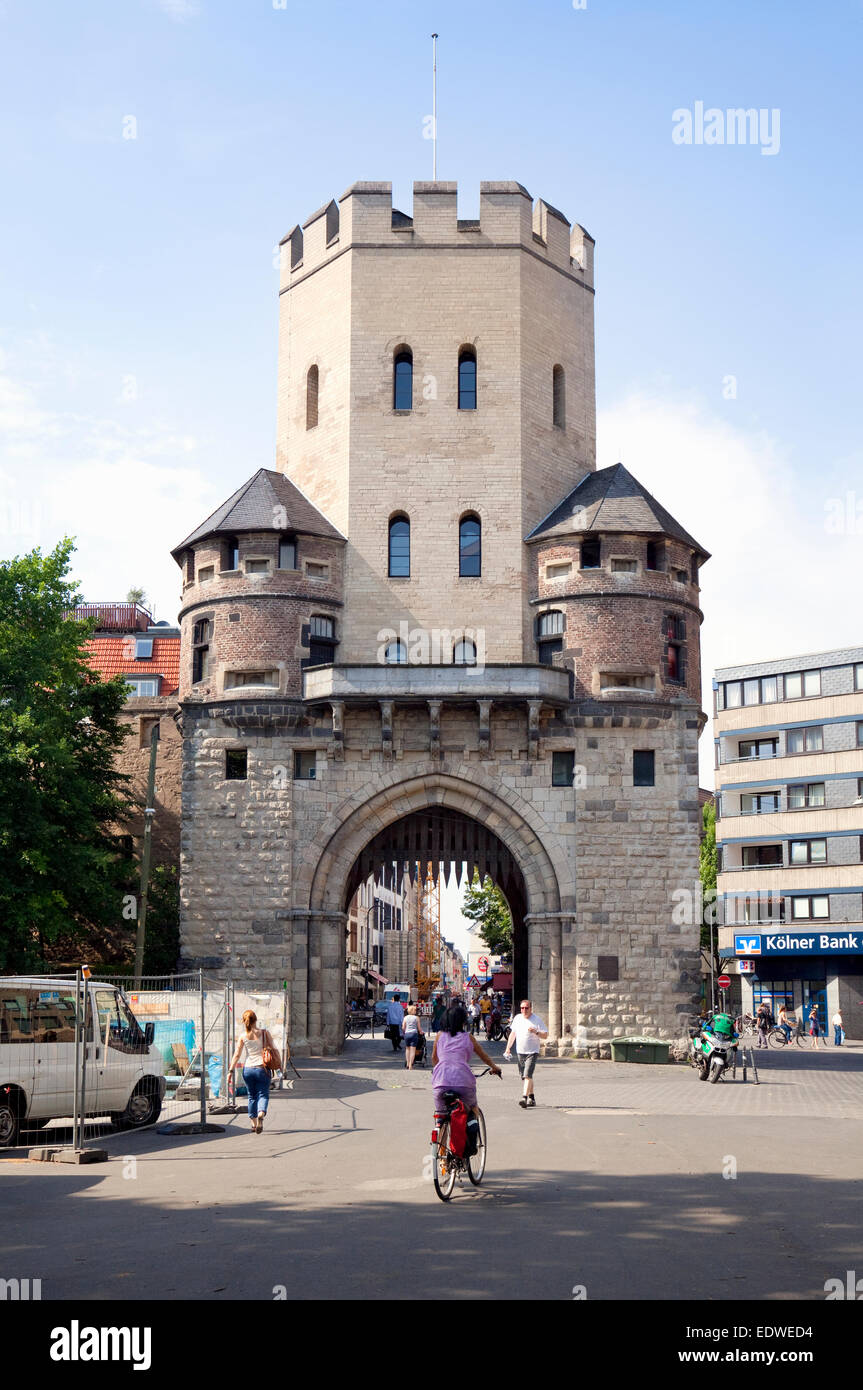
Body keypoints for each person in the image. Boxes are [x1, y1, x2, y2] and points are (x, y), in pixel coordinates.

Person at [431, 1000, 500, 1118]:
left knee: (441, 1115)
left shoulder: (439, 1035)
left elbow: (434, 1058)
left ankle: (439, 1128)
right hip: (463, 1081)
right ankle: (472, 1131)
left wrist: (437, 1069)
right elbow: (484, 1057)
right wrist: (495, 1067)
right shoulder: (468, 1037)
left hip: (440, 1082)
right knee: (472, 1110)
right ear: (463, 1021)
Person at [229, 1009, 274, 1134]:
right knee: (263, 1094)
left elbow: (237, 1054)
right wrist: (279, 1065)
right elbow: (273, 1049)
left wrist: (231, 1070)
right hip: (262, 1068)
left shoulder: (243, 1036)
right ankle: (261, 1113)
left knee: (251, 1096)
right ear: (256, 1020)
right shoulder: (264, 1033)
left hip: (248, 1069)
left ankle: (254, 1124)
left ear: (245, 1021)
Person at [504, 999, 548, 1107]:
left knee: (527, 1074)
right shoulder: (517, 1018)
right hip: (520, 1051)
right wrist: (508, 1048)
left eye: (526, 1008)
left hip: (532, 1051)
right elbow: (513, 1034)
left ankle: (524, 1097)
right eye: (522, 1008)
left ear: (531, 1008)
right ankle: (532, 1097)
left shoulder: (536, 1019)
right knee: (525, 1076)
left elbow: (545, 1035)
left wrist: (536, 1032)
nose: (524, 1010)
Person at [402, 1004, 424, 1070]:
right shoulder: (416, 1018)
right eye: (415, 1010)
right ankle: (411, 1065)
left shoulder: (405, 1018)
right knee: (413, 1050)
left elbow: (403, 1027)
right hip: (414, 1034)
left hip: (407, 1034)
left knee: (407, 1049)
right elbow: (419, 1028)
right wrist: (421, 1032)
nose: (416, 1011)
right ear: (413, 1011)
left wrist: (404, 1032)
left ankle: (408, 1064)